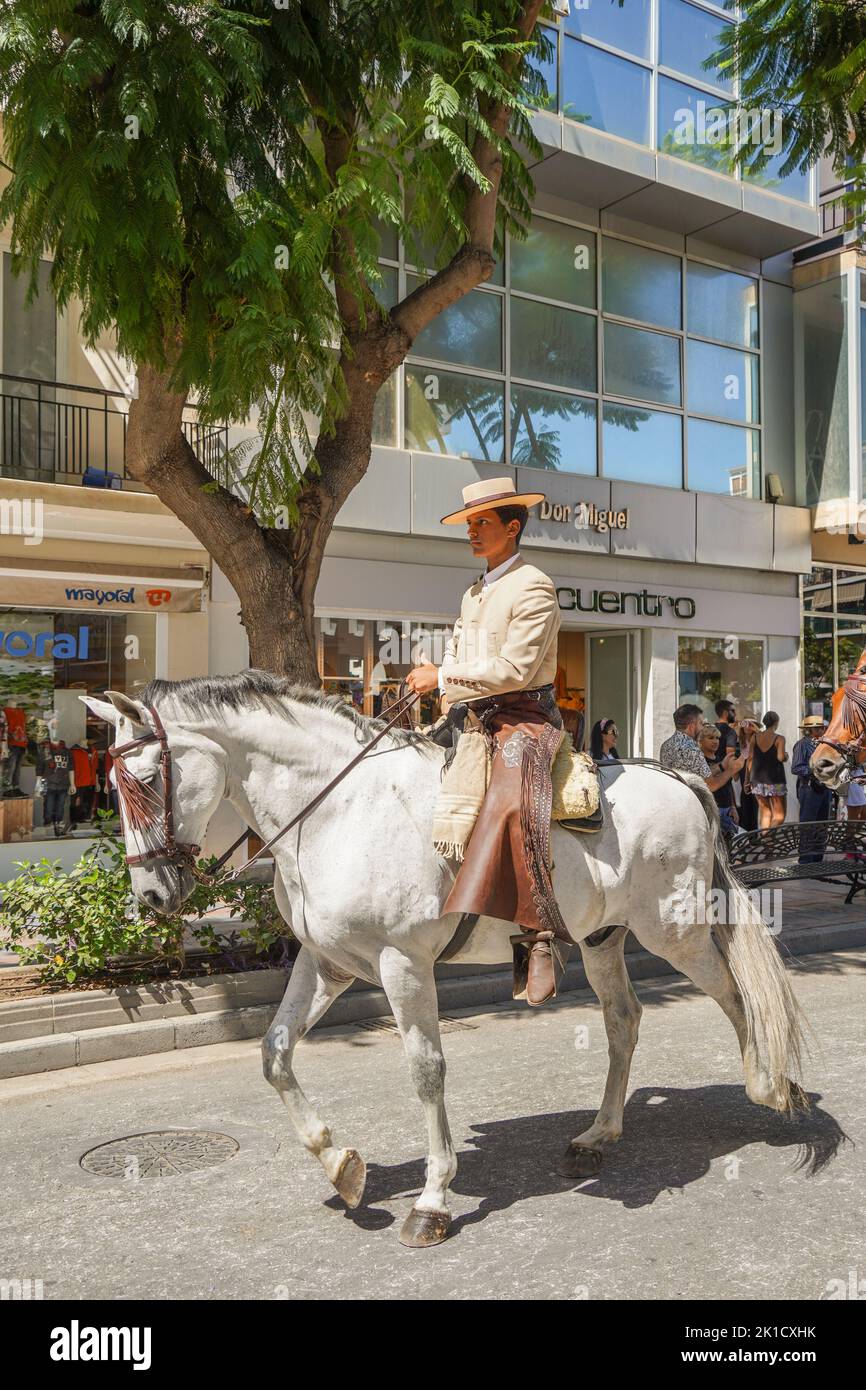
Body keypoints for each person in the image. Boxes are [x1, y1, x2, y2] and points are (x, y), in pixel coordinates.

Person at [405, 475, 567, 1007]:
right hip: (473, 716)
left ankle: (537, 936)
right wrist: (440, 682)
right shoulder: (473, 591)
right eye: (469, 523)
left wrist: (443, 678)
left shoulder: (535, 586)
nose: (472, 532)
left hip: (525, 719)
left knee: (511, 804)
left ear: (512, 528)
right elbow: (463, 657)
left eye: (483, 523)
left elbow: (516, 669)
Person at [659, 704, 746, 797]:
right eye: (700, 723)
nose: (702, 728)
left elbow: (696, 775)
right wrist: (732, 770)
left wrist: (721, 766)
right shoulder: (692, 749)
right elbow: (710, 785)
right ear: (692, 725)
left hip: (671, 800)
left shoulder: (666, 745)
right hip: (690, 803)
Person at [791, 715, 832, 863]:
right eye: (819, 727)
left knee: (822, 825)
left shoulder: (825, 744)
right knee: (808, 826)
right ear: (809, 730)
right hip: (809, 789)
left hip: (825, 788)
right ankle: (806, 860)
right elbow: (796, 767)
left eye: (823, 727)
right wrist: (815, 770)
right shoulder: (802, 744)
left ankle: (817, 859)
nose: (823, 729)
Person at [745, 712, 788, 829]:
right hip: (776, 780)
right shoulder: (779, 739)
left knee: (765, 812)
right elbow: (780, 757)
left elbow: (749, 759)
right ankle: (766, 837)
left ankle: (766, 842)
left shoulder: (754, 737)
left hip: (756, 780)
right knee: (779, 817)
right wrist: (786, 756)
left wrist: (746, 780)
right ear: (776, 723)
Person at [698, 725, 739, 836]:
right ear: (700, 740)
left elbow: (729, 785)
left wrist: (733, 807)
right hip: (710, 811)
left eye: (717, 738)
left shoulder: (722, 759)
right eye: (711, 738)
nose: (715, 741)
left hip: (727, 811)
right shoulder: (699, 761)